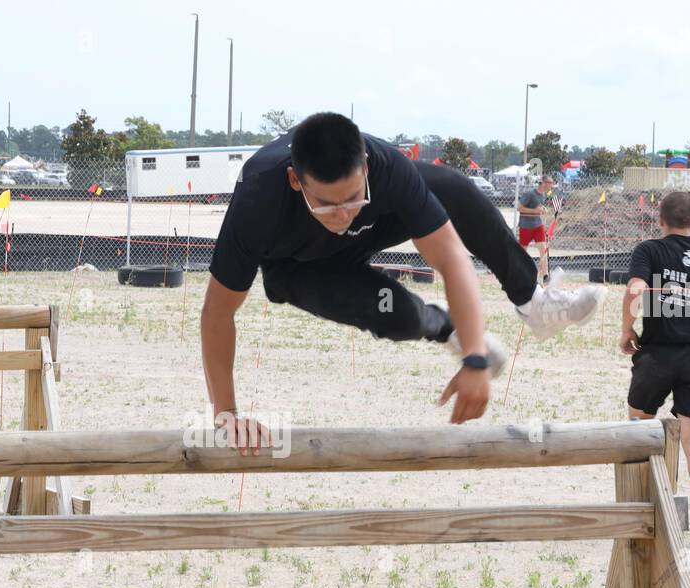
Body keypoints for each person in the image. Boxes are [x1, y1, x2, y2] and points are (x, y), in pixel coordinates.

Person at [202, 112, 604, 448]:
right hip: (302, 266)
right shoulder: (258, 199)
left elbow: (451, 258)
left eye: (352, 196)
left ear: (366, 167)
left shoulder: (387, 166)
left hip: (377, 224)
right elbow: (218, 313)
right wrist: (226, 416)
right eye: (326, 204)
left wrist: (477, 362)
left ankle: (533, 302)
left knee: (454, 190)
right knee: (396, 315)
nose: (343, 213)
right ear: (295, 181)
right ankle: (446, 327)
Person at [620, 191, 690, 549]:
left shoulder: (649, 250)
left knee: (638, 427)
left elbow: (634, 290)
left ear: (660, 220)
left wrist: (627, 329)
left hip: (658, 354)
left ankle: (642, 506)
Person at [517, 174, 554, 283]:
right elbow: (519, 208)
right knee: (522, 252)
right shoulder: (530, 194)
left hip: (538, 225)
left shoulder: (543, 195)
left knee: (543, 249)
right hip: (525, 226)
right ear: (543, 182)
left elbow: (538, 207)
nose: (551, 185)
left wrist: (543, 209)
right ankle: (519, 273)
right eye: (550, 183)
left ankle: (545, 276)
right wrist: (535, 211)